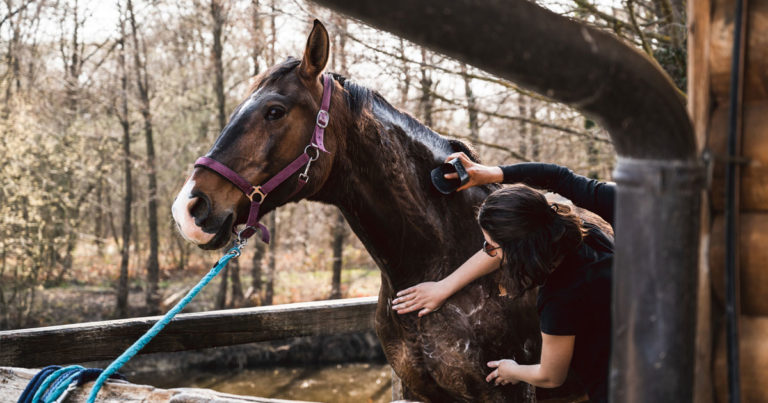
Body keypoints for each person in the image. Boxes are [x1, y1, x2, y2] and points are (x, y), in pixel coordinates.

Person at [392, 152, 615, 403]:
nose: (487, 252)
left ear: (519, 253)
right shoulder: (588, 234)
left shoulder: (560, 299)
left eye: (489, 245)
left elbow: (551, 376)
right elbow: (558, 177)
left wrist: (512, 370)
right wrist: (489, 174)